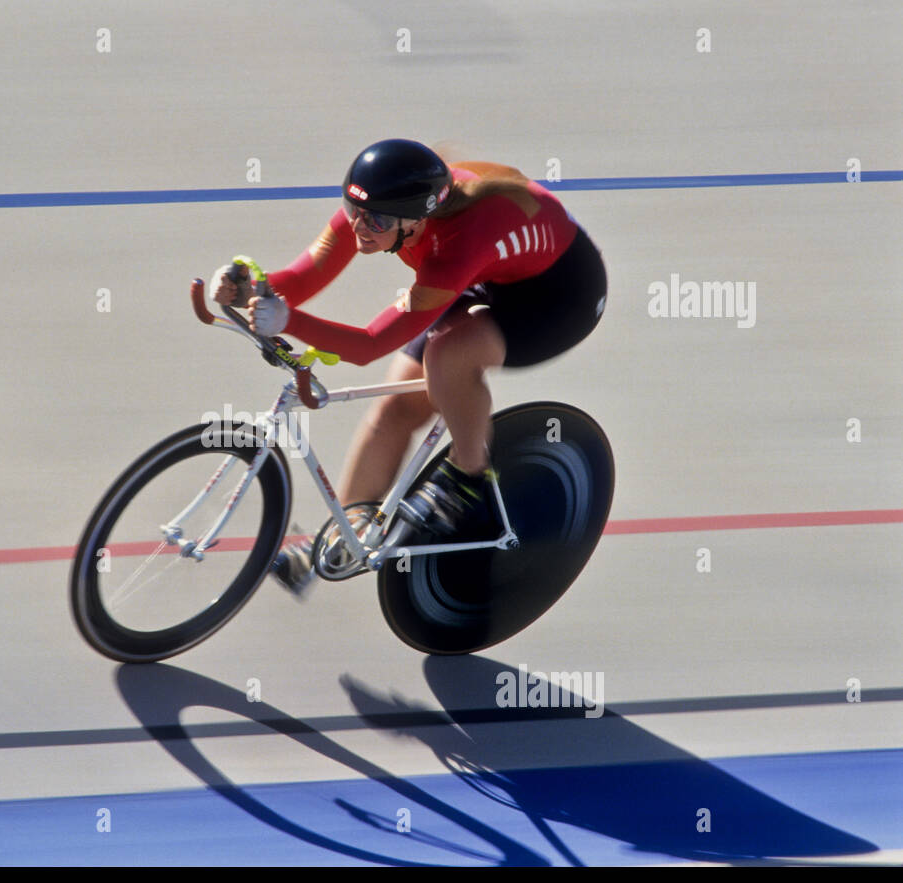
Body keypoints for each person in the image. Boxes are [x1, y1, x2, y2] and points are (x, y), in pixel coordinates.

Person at [210, 138, 607, 596]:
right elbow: (305, 276)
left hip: (559, 295)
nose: (359, 227)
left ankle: (467, 474)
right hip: (488, 272)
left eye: (375, 221)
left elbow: (368, 344)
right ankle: (348, 533)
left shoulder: (457, 242)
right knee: (398, 406)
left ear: (419, 220)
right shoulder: (376, 207)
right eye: (352, 210)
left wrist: (289, 321)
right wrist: (249, 287)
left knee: (449, 357)